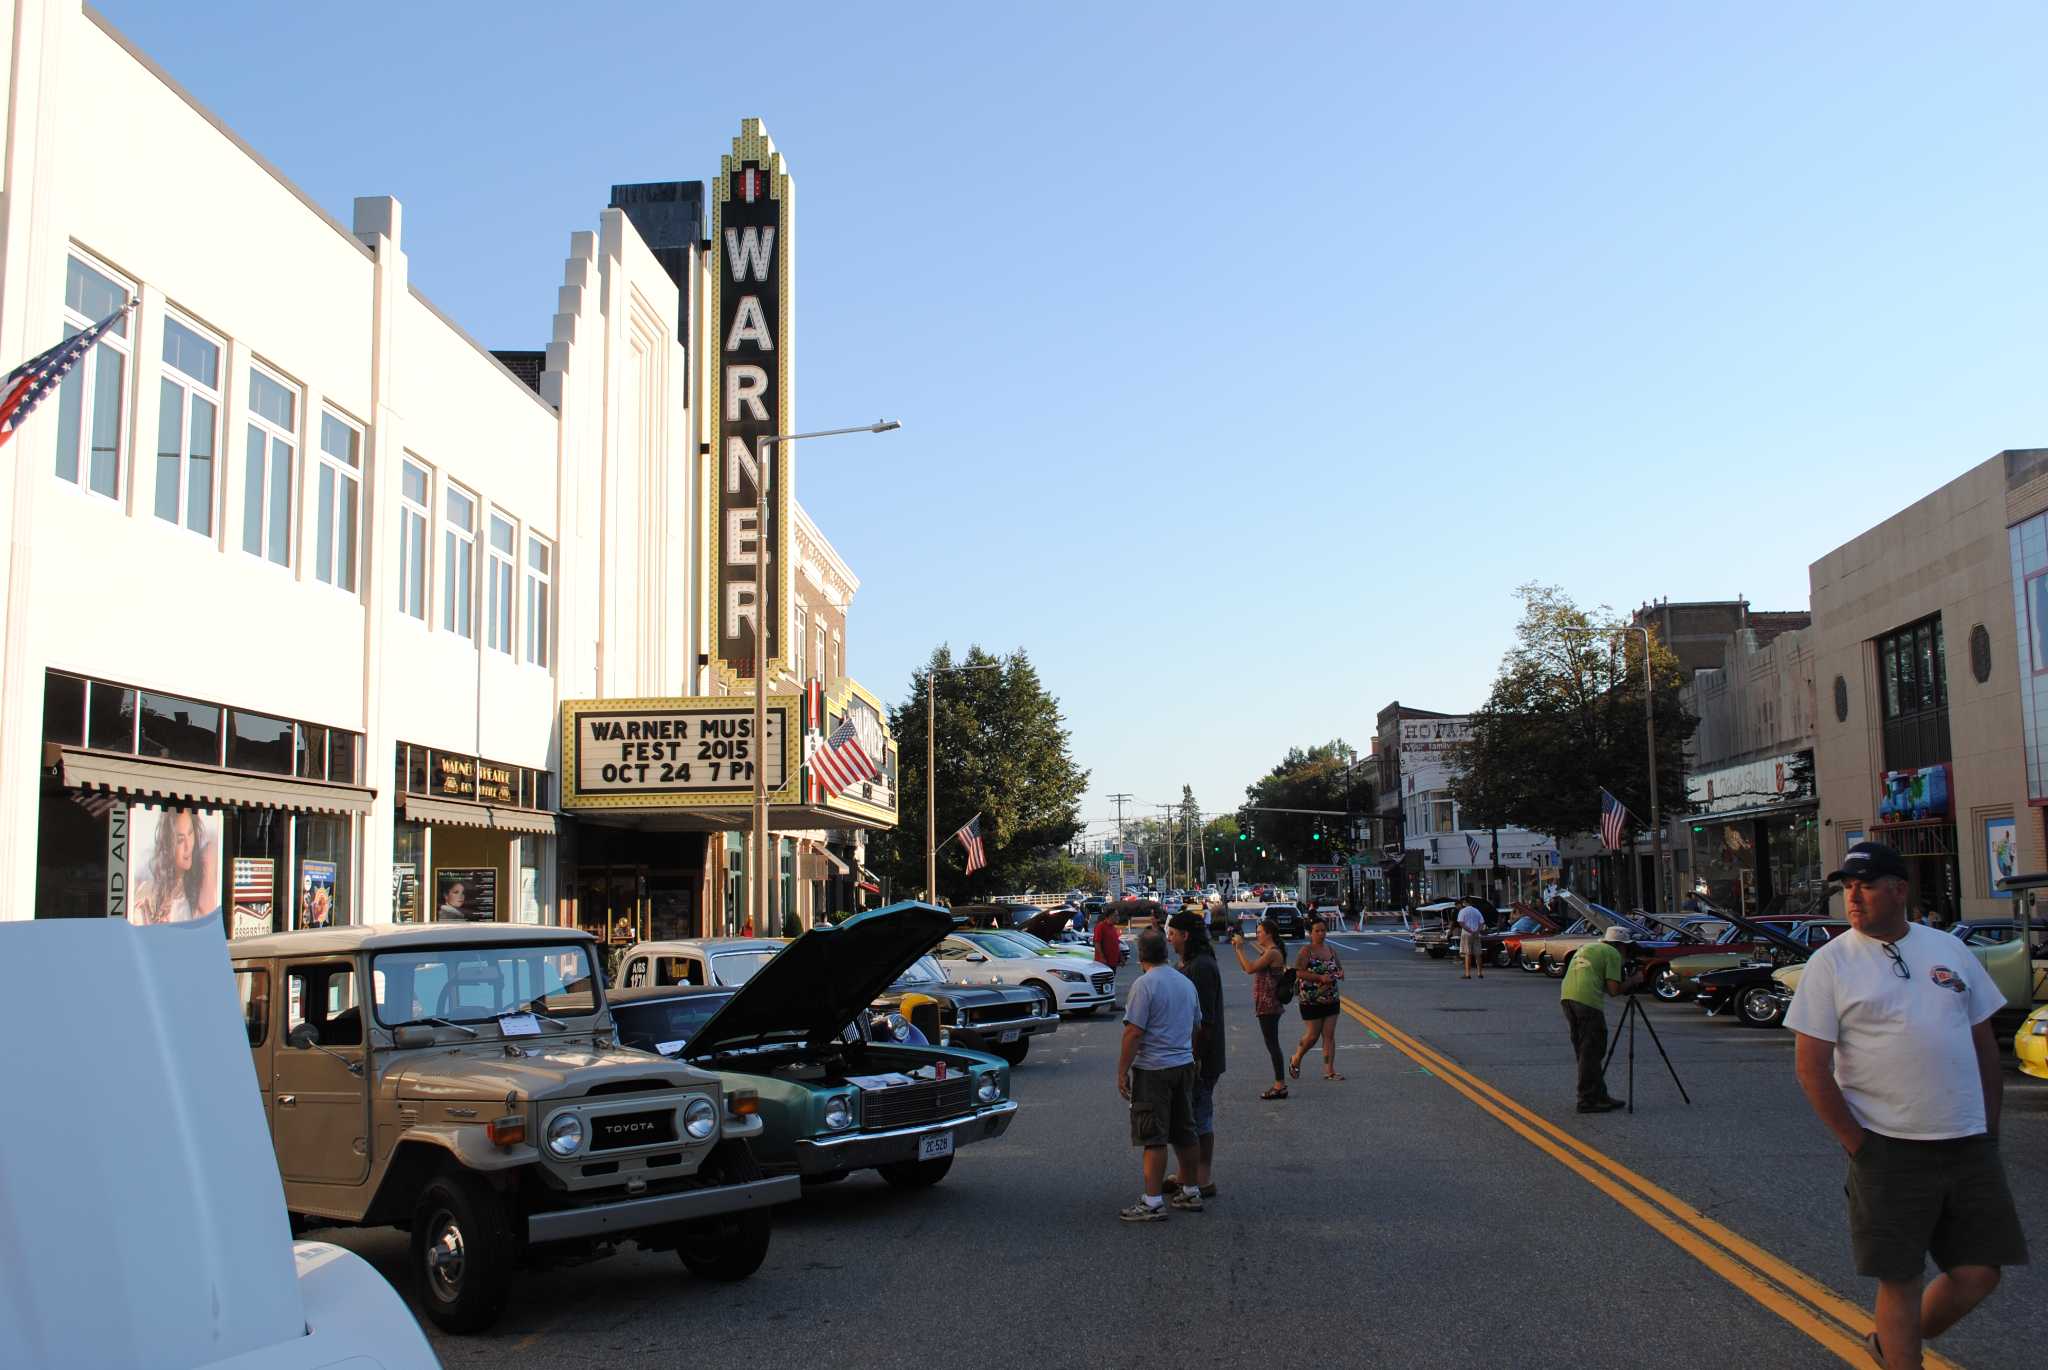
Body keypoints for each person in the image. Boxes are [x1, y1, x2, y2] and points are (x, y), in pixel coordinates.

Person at [1785, 841, 2027, 1369]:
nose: (1853, 897)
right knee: (1900, 1277)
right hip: (1888, 1147)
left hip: (1966, 1142)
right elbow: (1810, 1067)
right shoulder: (1831, 964)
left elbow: (1984, 1045)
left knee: (1980, 1271)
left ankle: (1891, 1343)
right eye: (1847, 887)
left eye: (1865, 885)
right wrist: (1858, 1144)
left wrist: (1987, 1126)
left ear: (1899, 890)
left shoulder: (1949, 949)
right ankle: (1901, 1357)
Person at [1115, 930, 1204, 1222]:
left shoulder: (1144, 985)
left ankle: (1152, 1201)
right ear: (1164, 952)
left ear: (1141, 955)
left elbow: (1134, 1031)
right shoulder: (1185, 982)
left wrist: (1122, 1070)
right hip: (1183, 1064)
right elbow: (1196, 1026)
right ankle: (1191, 1190)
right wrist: (1188, 1056)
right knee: (1185, 1131)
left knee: (1153, 1135)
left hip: (1153, 1069)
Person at [1166, 912, 1224, 1198]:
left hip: (1200, 1056)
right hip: (1187, 1053)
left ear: (1186, 935)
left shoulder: (1201, 966)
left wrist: (1196, 1056)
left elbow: (1205, 1022)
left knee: (1199, 1117)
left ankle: (1202, 1178)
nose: (1169, 938)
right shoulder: (1190, 964)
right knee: (1187, 1117)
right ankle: (1186, 1173)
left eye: (1173, 933)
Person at [1560, 926, 1640, 1112]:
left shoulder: (1589, 948)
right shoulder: (1612, 953)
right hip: (1587, 1001)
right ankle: (1587, 1099)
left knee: (1585, 1049)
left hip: (1567, 997)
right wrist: (1633, 980)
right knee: (1592, 1050)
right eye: (1626, 948)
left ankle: (1599, 1094)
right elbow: (1613, 990)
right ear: (1621, 946)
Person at [1232, 916, 1290, 1099]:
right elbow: (1246, 967)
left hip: (1269, 1003)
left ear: (1269, 934)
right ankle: (1280, 1084)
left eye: (1259, 932)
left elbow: (1250, 969)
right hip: (1265, 1003)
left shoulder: (1272, 952)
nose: (1257, 935)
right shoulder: (1268, 951)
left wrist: (1241, 948)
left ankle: (1280, 1085)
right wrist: (1237, 949)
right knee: (1271, 1043)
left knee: (1272, 1044)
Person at [133, 807, 220, 924]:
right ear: (168, 846)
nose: (188, 846)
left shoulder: (204, 872)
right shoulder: (150, 892)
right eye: (180, 840)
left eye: (190, 834)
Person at [1288, 917, 1345, 1081]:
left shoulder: (1331, 950)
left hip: (1331, 998)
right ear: (1310, 933)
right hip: (1311, 999)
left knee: (1329, 1035)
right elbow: (1298, 972)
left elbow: (1339, 968)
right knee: (1313, 1035)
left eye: (1323, 930)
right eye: (1317, 931)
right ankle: (1296, 1057)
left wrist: (1340, 974)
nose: (1321, 934)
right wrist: (1319, 978)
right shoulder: (1306, 951)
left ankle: (1329, 1070)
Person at [1457, 896, 1488, 979]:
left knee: (1467, 954)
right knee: (1478, 954)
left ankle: (1467, 974)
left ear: (1465, 903)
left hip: (1467, 933)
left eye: (1463, 902)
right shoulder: (1477, 911)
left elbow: (1460, 922)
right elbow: (1482, 922)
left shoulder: (1462, 911)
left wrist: (1469, 930)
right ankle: (1480, 973)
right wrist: (1477, 930)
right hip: (1476, 933)